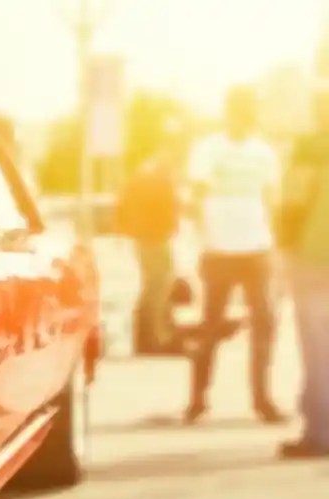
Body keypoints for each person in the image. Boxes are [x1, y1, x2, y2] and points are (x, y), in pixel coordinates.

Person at [183, 86, 285, 425]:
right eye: (241, 109)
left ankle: (262, 398)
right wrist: (204, 238)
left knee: (264, 324)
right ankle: (198, 398)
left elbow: (271, 199)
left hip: (257, 248)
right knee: (210, 325)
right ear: (230, 111)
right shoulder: (209, 149)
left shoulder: (264, 152)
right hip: (219, 249)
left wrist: (273, 242)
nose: (247, 115)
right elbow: (197, 197)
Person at [276, 83, 329, 458]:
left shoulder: (311, 148)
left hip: (315, 256)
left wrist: (284, 250)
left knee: (317, 346)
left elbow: (293, 202)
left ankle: (321, 432)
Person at [117, 124, 184, 354]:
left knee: (154, 286)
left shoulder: (148, 172)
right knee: (157, 287)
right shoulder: (155, 173)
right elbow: (162, 206)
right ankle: (153, 338)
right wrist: (167, 227)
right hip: (154, 237)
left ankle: (148, 336)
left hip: (151, 236)